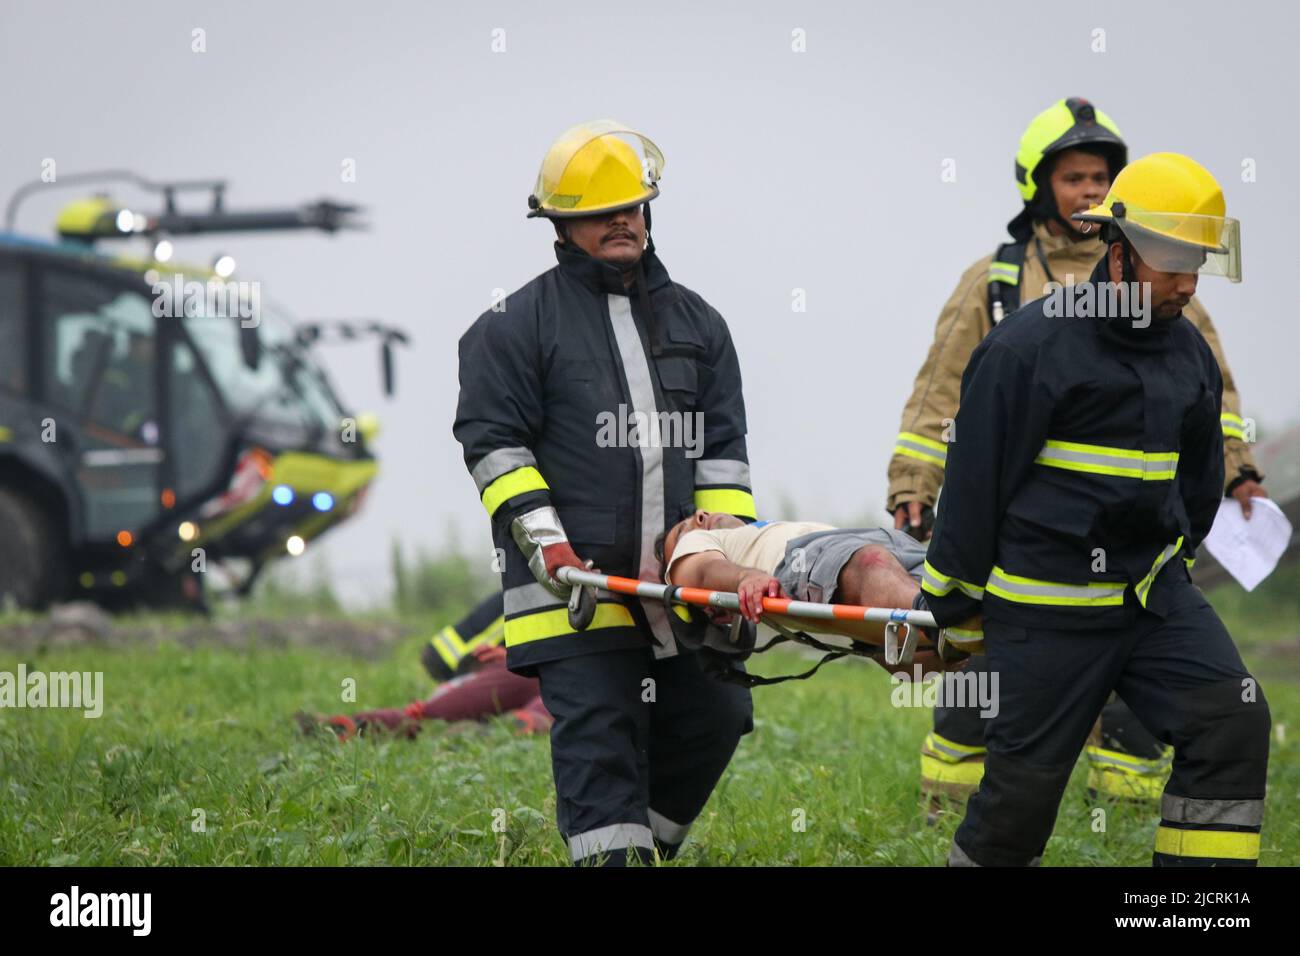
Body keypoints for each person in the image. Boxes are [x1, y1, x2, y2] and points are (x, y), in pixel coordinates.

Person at [887, 98, 1267, 811]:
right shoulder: (997, 282)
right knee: (980, 704)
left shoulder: (1166, 276)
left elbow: (1209, 394)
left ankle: (1121, 820)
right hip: (1024, 558)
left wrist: (1236, 470)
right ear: (1040, 187)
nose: (1089, 189)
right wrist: (915, 483)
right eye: (1073, 178)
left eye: (1100, 176)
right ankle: (948, 816)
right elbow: (941, 396)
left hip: (1134, 568)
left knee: (1153, 715)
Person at [454, 120, 757, 865]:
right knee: (602, 740)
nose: (622, 221)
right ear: (560, 224)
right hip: (575, 589)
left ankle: (640, 850)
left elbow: (724, 457)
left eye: (632, 206)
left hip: (682, 595)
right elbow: (497, 449)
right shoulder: (511, 328)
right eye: (600, 211)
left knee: (717, 716)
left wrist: (728, 554)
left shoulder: (700, 324)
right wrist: (548, 545)